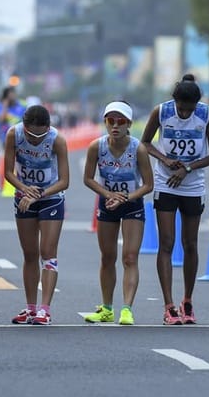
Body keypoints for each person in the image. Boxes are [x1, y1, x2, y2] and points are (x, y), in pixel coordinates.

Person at [141, 75, 209, 324]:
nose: (185, 113)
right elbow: (145, 143)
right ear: (174, 101)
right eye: (182, 108)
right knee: (166, 243)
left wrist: (187, 168)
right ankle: (169, 305)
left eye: (190, 109)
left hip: (192, 185)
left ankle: (187, 301)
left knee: (190, 244)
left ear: (198, 104)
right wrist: (165, 160)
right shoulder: (161, 112)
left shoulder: (207, 114)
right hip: (165, 183)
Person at [83, 101, 153, 325]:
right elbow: (88, 178)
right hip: (107, 204)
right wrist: (107, 194)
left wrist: (125, 197)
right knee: (107, 257)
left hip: (132, 204)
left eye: (120, 121)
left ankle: (127, 309)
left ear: (129, 124)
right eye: (110, 120)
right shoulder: (97, 147)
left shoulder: (138, 149)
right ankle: (106, 308)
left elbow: (148, 185)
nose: (115, 125)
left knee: (130, 257)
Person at [5, 105, 69, 325]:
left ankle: (45, 309)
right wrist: (24, 189)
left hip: (50, 196)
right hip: (24, 196)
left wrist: (39, 193)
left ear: (48, 128)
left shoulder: (57, 140)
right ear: (24, 127)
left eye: (41, 135)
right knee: (30, 254)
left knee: (47, 252)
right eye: (31, 135)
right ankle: (30, 308)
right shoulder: (14, 134)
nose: (35, 140)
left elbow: (64, 180)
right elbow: (7, 172)